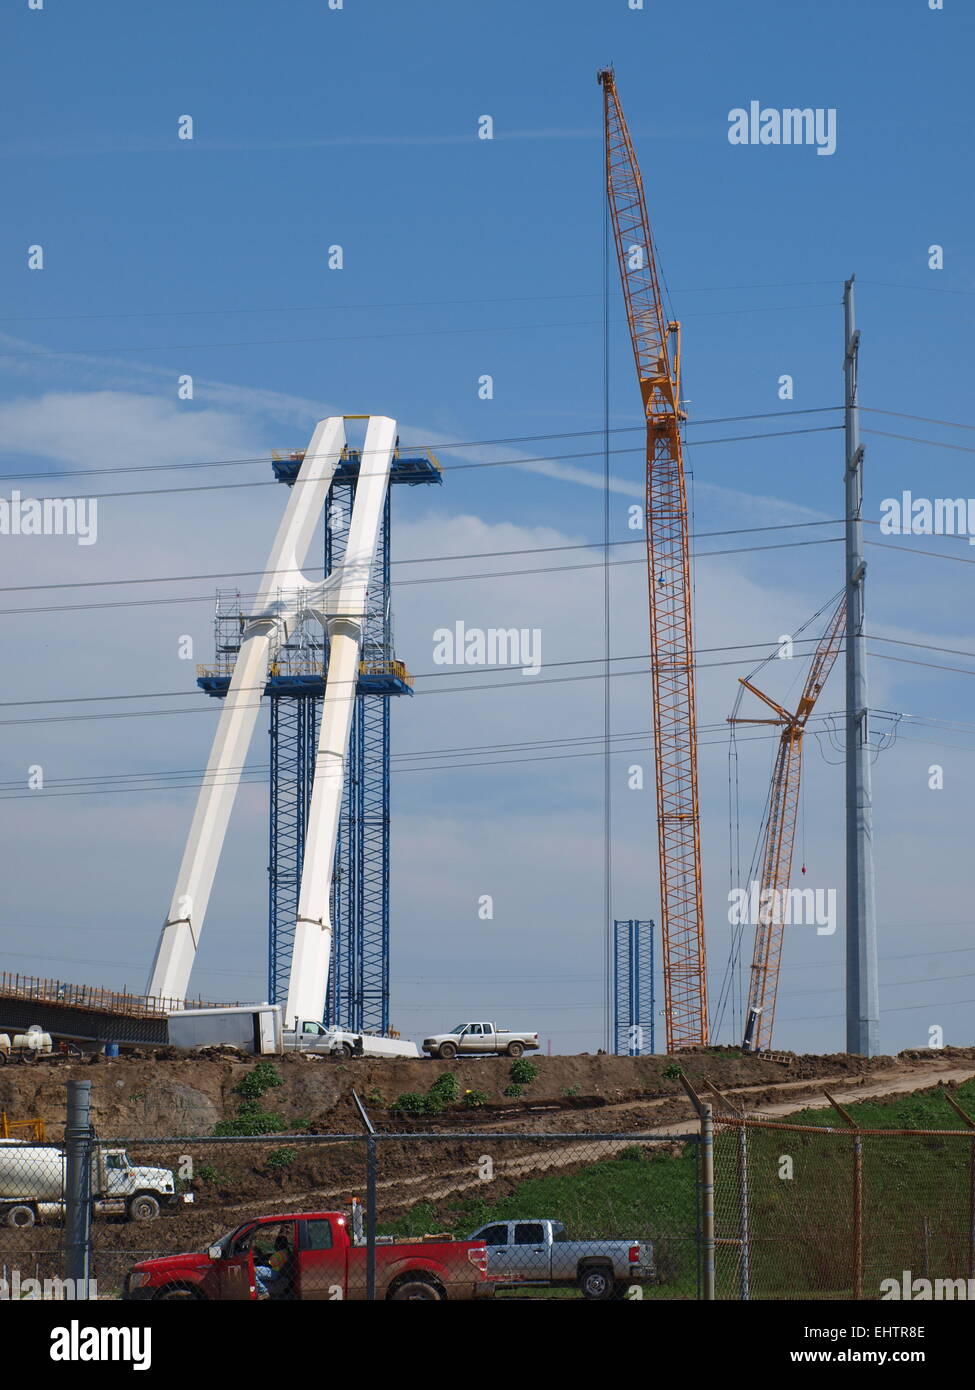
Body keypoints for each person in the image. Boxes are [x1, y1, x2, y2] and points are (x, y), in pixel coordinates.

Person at [254, 1234, 292, 1300]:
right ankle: (263, 1290)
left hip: (274, 1272)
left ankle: (263, 1291)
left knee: (252, 1270)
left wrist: (258, 1252)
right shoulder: (286, 1252)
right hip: (278, 1272)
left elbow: (268, 1263)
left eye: (276, 1243)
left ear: (278, 1244)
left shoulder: (279, 1254)